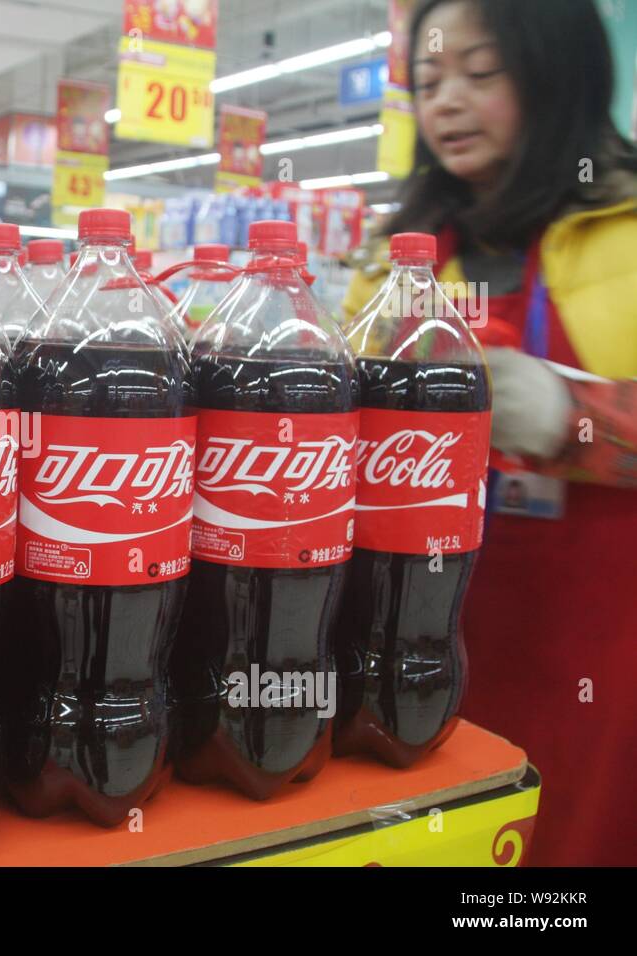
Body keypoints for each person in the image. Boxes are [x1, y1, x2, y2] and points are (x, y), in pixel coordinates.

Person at [343, 0, 637, 867]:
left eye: (481, 73)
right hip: (427, 616)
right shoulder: (395, 256)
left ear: (558, 73)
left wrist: (580, 420)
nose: (447, 104)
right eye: (429, 81)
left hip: (602, 630)